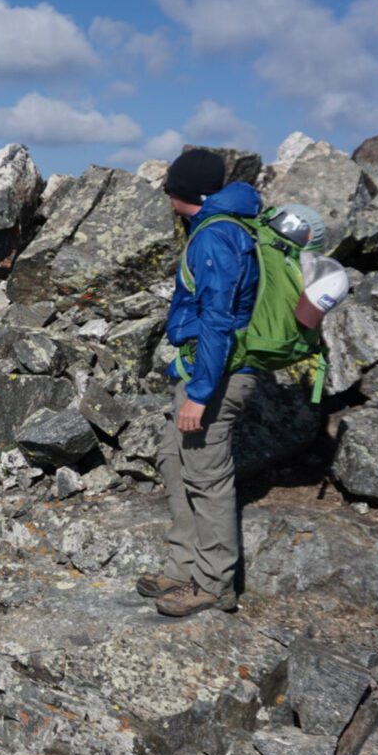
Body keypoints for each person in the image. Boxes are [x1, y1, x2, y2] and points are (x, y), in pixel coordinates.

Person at [136, 148, 262, 617]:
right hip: (201, 368)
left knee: (207, 477)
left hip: (218, 375)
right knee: (174, 458)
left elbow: (217, 321)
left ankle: (213, 583)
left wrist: (200, 395)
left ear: (182, 191)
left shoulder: (214, 237)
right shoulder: (213, 228)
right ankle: (183, 566)